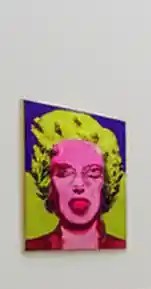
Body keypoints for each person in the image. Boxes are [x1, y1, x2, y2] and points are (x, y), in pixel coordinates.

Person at [25, 107, 127, 251]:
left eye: (93, 172)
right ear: (48, 182)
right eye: (65, 172)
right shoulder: (33, 247)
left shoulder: (120, 247)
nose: (79, 184)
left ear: (106, 182)